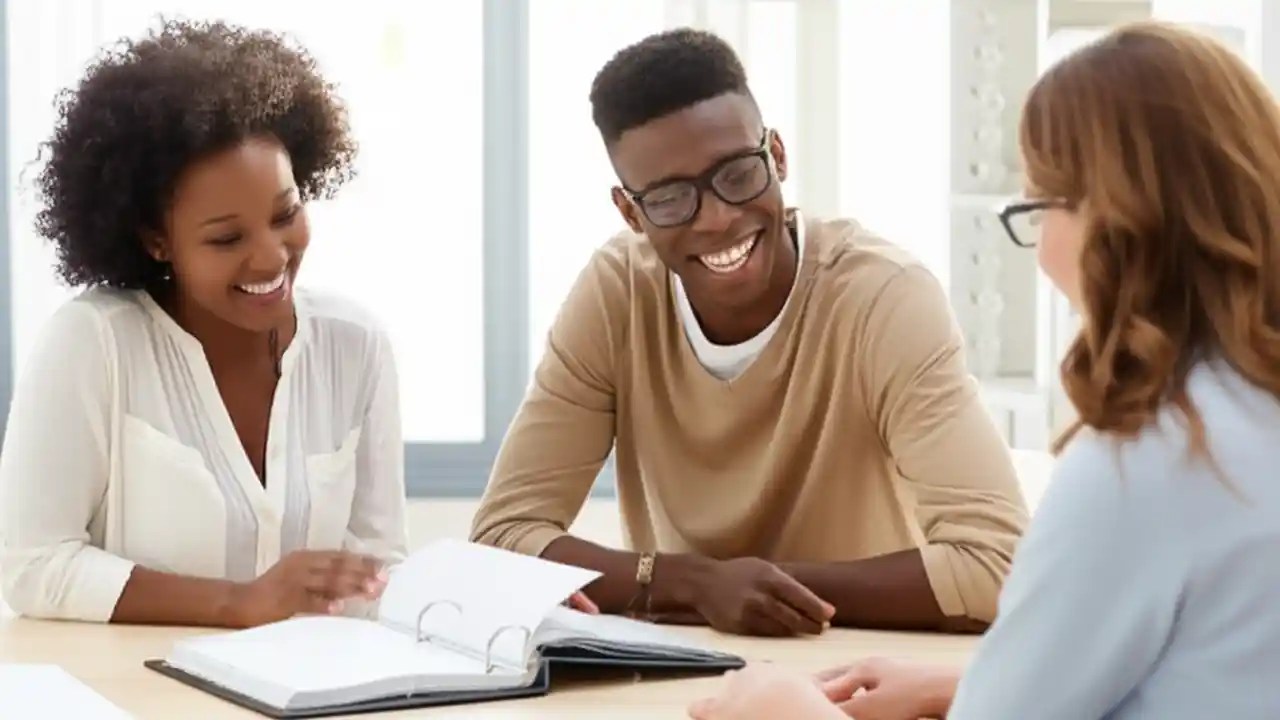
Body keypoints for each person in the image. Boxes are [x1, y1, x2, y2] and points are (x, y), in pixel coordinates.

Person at [688, 20, 1280, 719]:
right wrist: (966, 690)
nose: (1039, 251)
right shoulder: (1248, 415)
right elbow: (1201, 674)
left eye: (1036, 207)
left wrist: (783, 708)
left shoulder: (1147, 462)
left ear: (1115, 222)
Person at [470, 28, 1028, 637]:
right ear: (631, 214)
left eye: (736, 174)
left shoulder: (882, 297)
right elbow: (500, 541)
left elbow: (999, 565)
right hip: (686, 680)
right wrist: (696, 584)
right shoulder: (616, 295)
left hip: (861, 677)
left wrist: (756, 587)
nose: (718, 218)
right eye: (670, 199)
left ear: (777, 156)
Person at [0, 19, 407, 628]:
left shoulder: (356, 347)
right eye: (226, 238)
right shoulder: (93, 344)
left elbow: (378, 573)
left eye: (285, 213)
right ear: (156, 239)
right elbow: (32, 566)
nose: (271, 257)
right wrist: (236, 602)